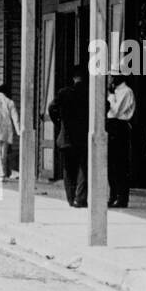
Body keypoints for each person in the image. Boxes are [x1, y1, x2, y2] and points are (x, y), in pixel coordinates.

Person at [50, 72, 89, 206]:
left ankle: (71, 198)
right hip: (83, 136)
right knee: (83, 168)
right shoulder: (89, 93)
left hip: (66, 136)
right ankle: (80, 198)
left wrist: (60, 123)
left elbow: (51, 108)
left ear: (73, 78)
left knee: (69, 168)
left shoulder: (63, 93)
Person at [106, 73, 135, 208]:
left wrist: (111, 97)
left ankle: (121, 197)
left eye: (113, 77)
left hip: (120, 125)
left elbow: (115, 111)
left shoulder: (126, 92)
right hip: (111, 125)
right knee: (111, 164)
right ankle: (113, 195)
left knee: (120, 164)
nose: (111, 79)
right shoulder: (115, 91)